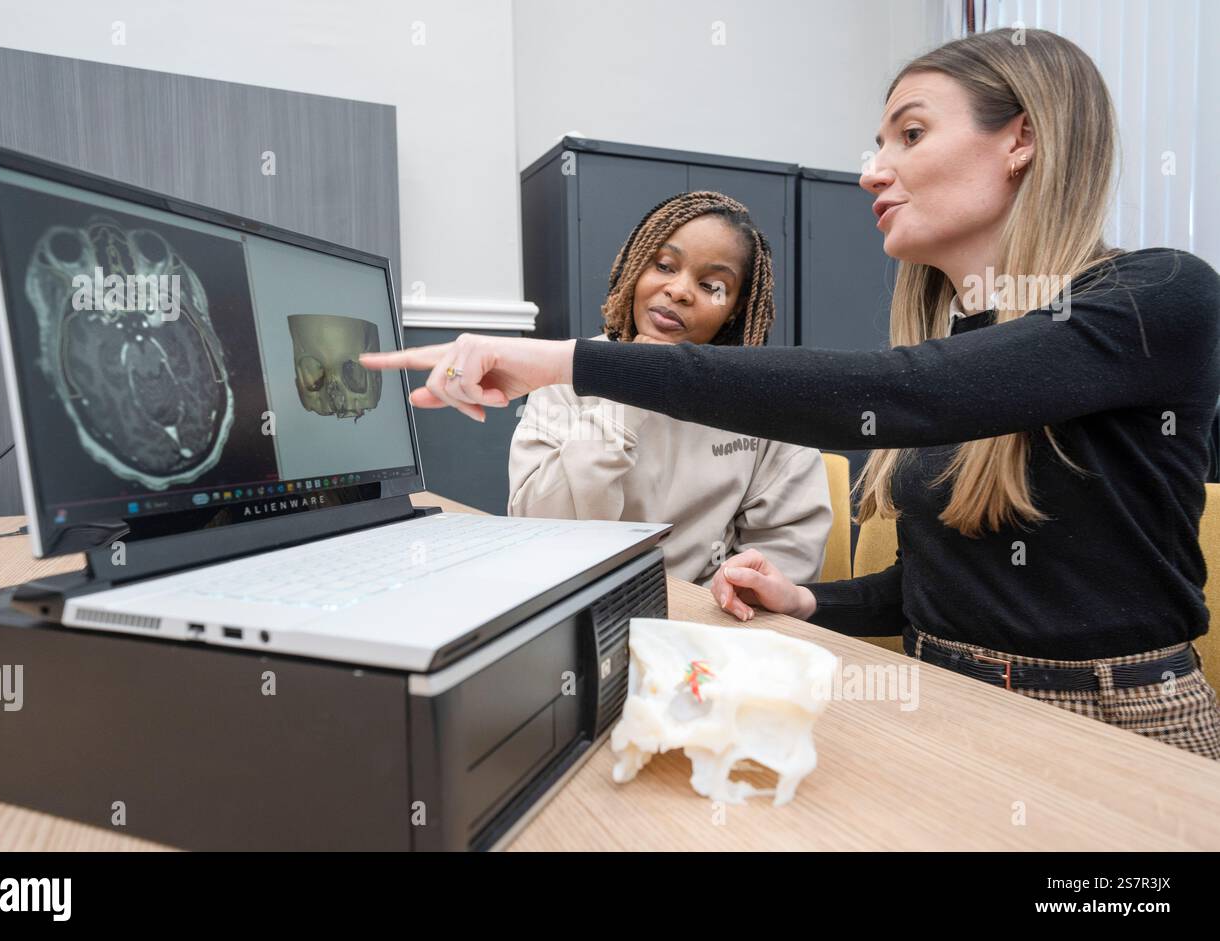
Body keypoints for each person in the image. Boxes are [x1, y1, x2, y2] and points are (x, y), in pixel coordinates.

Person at [363, 28, 1220, 761]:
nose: (872, 172)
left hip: (1113, 721)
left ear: (1022, 139)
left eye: (908, 135)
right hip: (943, 694)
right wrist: (811, 602)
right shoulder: (953, 347)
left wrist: (567, 360)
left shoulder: (1159, 295)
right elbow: (943, 593)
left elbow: (906, 393)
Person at [508, 191, 832, 587]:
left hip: (706, 628)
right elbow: (540, 528)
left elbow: (787, 556)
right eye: (664, 265)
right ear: (635, 267)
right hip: (578, 606)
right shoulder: (565, 377)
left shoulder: (762, 397)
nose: (679, 290)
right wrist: (628, 392)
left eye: (712, 284)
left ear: (734, 306)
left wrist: (714, 604)